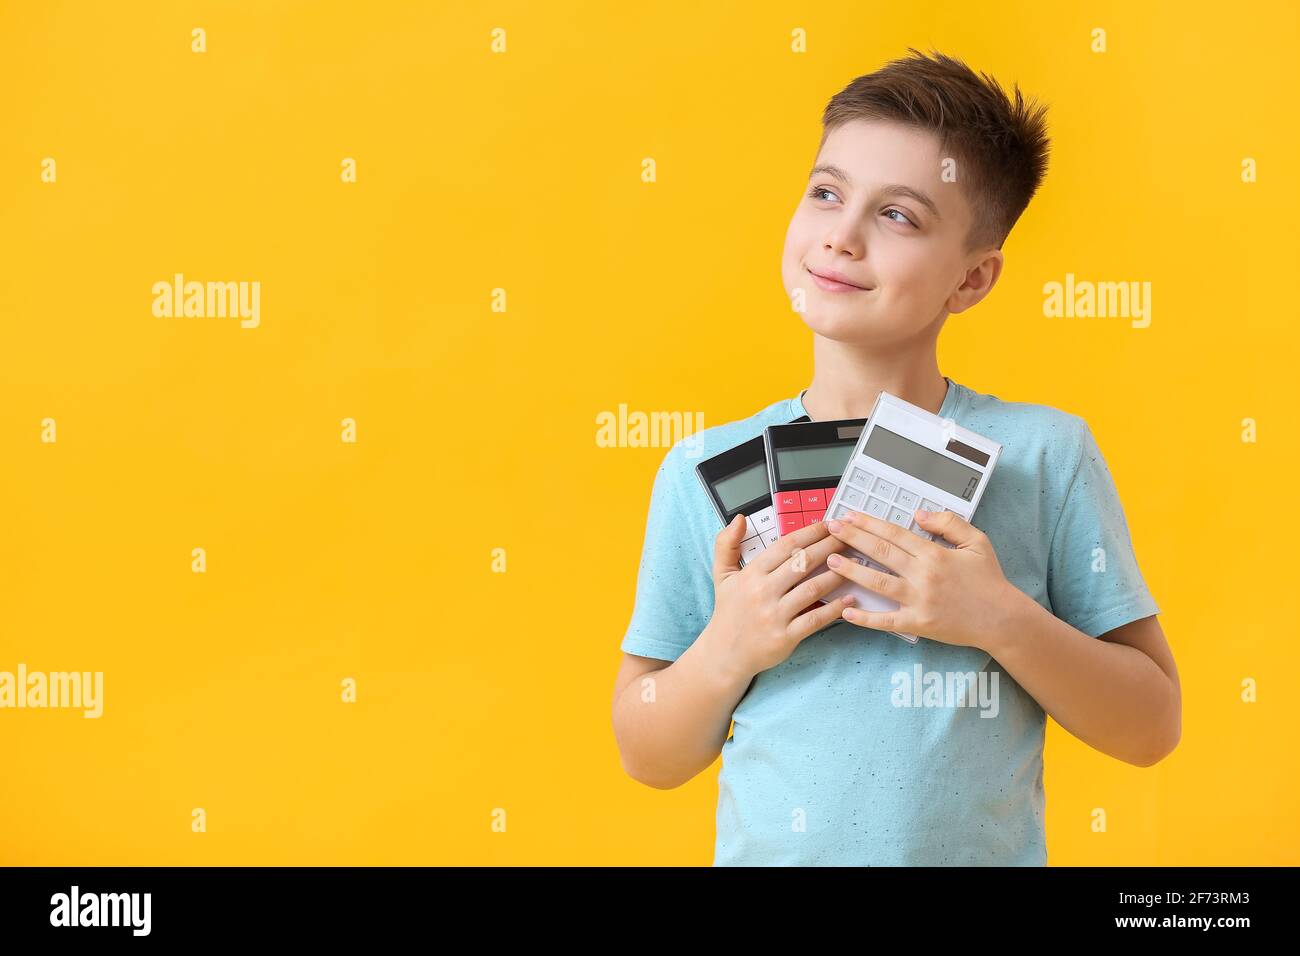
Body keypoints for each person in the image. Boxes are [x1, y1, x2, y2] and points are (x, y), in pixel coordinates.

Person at [610, 48, 1180, 866]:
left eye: (899, 215)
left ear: (973, 281)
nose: (841, 237)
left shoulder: (1047, 454)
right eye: (826, 192)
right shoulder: (707, 466)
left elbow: (1152, 727)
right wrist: (730, 646)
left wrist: (999, 619)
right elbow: (648, 753)